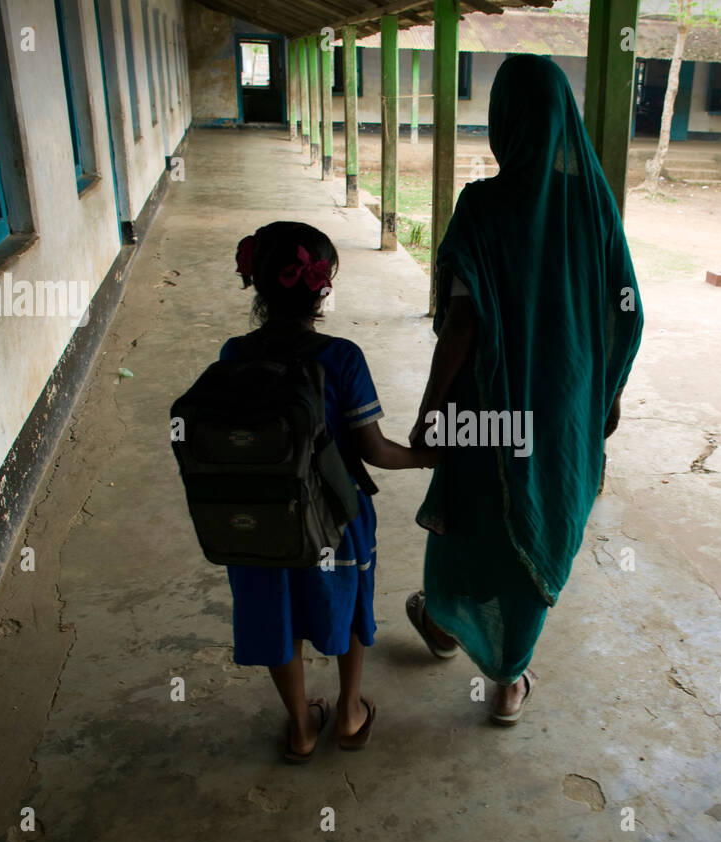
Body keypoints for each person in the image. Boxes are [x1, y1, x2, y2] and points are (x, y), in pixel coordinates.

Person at [406, 55, 645, 725]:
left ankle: (449, 623)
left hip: (488, 411)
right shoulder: (593, 208)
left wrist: (430, 415)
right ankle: (509, 678)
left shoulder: (482, 206)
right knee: (541, 520)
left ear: (503, 121)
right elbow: (626, 309)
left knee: (474, 513)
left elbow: (460, 322)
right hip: (565, 410)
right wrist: (608, 388)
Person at [224, 221, 436, 762]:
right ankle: (348, 713)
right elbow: (375, 451)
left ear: (257, 284)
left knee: (278, 611)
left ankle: (299, 728)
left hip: (263, 520)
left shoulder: (234, 355)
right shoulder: (342, 357)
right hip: (336, 517)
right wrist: (431, 457)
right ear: (321, 288)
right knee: (348, 601)